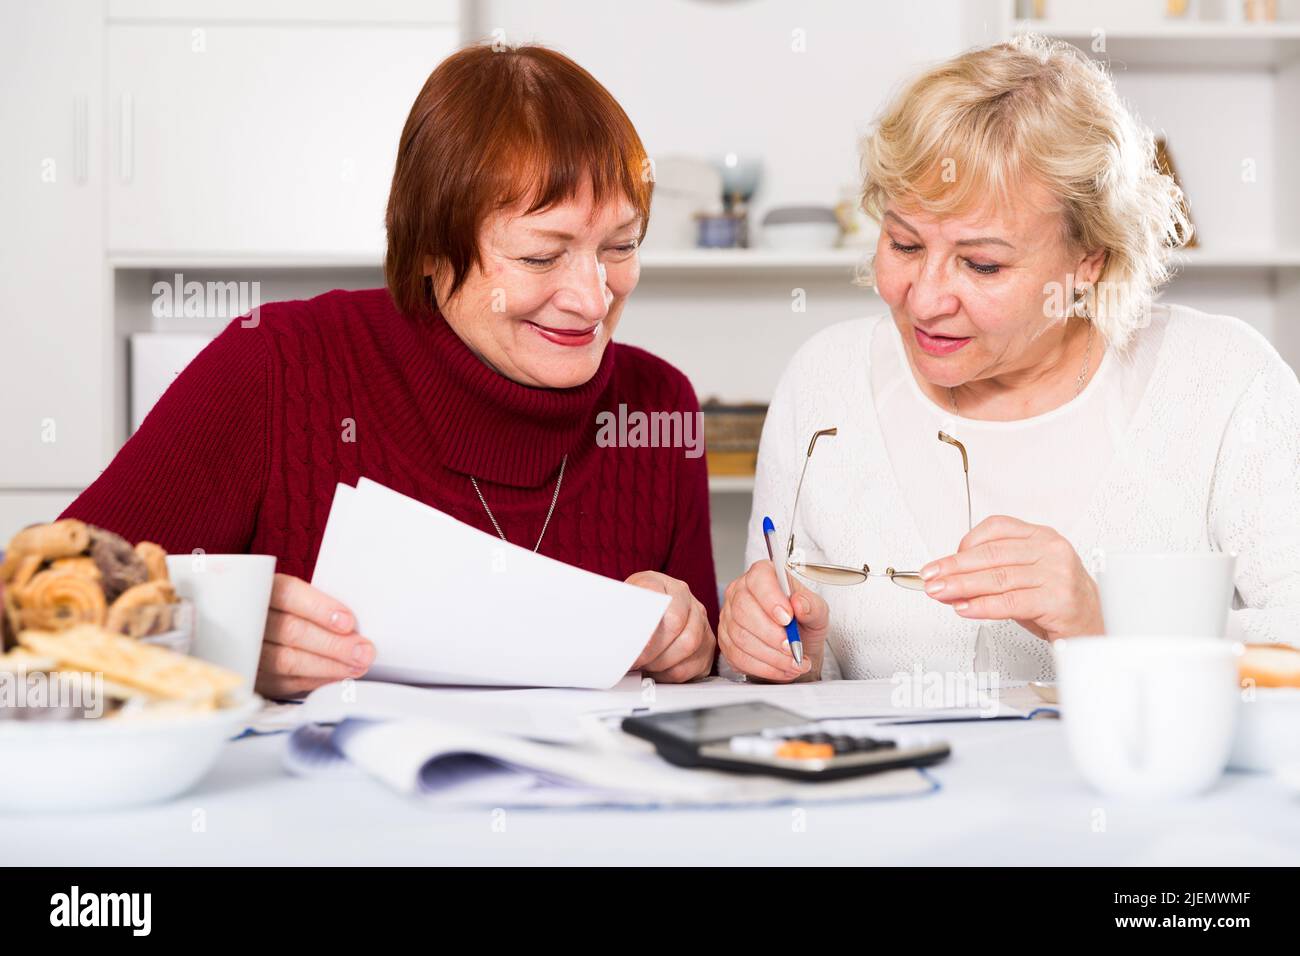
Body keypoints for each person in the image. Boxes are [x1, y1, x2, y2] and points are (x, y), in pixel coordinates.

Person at [63, 44, 719, 696]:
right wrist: (217, 643)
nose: (593, 297)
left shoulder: (657, 405)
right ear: (432, 252)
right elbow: (39, 607)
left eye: (621, 245)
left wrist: (692, 641)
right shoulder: (273, 365)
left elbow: (705, 686)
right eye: (542, 256)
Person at [719, 35, 1300, 683]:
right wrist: (786, 656)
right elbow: (784, 687)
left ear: (1090, 260)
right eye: (905, 244)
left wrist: (1105, 621)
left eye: (983, 263)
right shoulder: (823, 381)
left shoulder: (1223, 381)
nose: (928, 298)